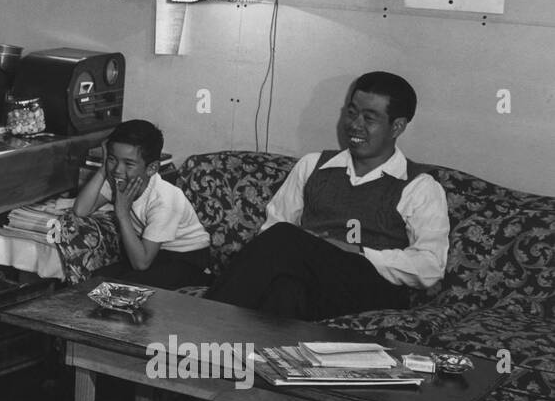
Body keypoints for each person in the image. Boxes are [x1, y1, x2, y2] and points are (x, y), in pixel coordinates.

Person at [204, 72, 449, 322]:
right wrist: (312, 250)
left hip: (371, 288)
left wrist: (356, 252)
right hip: (313, 284)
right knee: (286, 291)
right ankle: (250, 355)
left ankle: (202, 322)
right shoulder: (313, 165)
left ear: (397, 126)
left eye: (369, 118)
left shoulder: (420, 186)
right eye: (351, 113)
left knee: (285, 237)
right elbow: (271, 232)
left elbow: (430, 266)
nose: (355, 125)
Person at [72, 120, 211, 290]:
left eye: (128, 164)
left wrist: (122, 213)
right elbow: (81, 210)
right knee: (97, 279)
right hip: (153, 253)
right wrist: (104, 167)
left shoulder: (164, 199)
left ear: (151, 168)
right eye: (112, 159)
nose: (117, 169)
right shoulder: (120, 179)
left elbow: (141, 264)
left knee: (130, 287)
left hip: (187, 258)